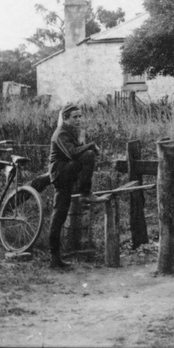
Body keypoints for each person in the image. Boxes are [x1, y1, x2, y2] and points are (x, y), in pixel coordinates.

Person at [46, 103, 107, 270]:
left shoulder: (71, 132)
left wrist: (85, 144)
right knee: (87, 154)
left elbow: (76, 154)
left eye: (80, 116)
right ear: (65, 118)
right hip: (60, 174)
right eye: (75, 117)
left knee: (60, 214)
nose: (79, 119)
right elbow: (72, 153)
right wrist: (91, 145)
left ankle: (55, 258)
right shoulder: (61, 133)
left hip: (67, 173)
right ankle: (85, 192)